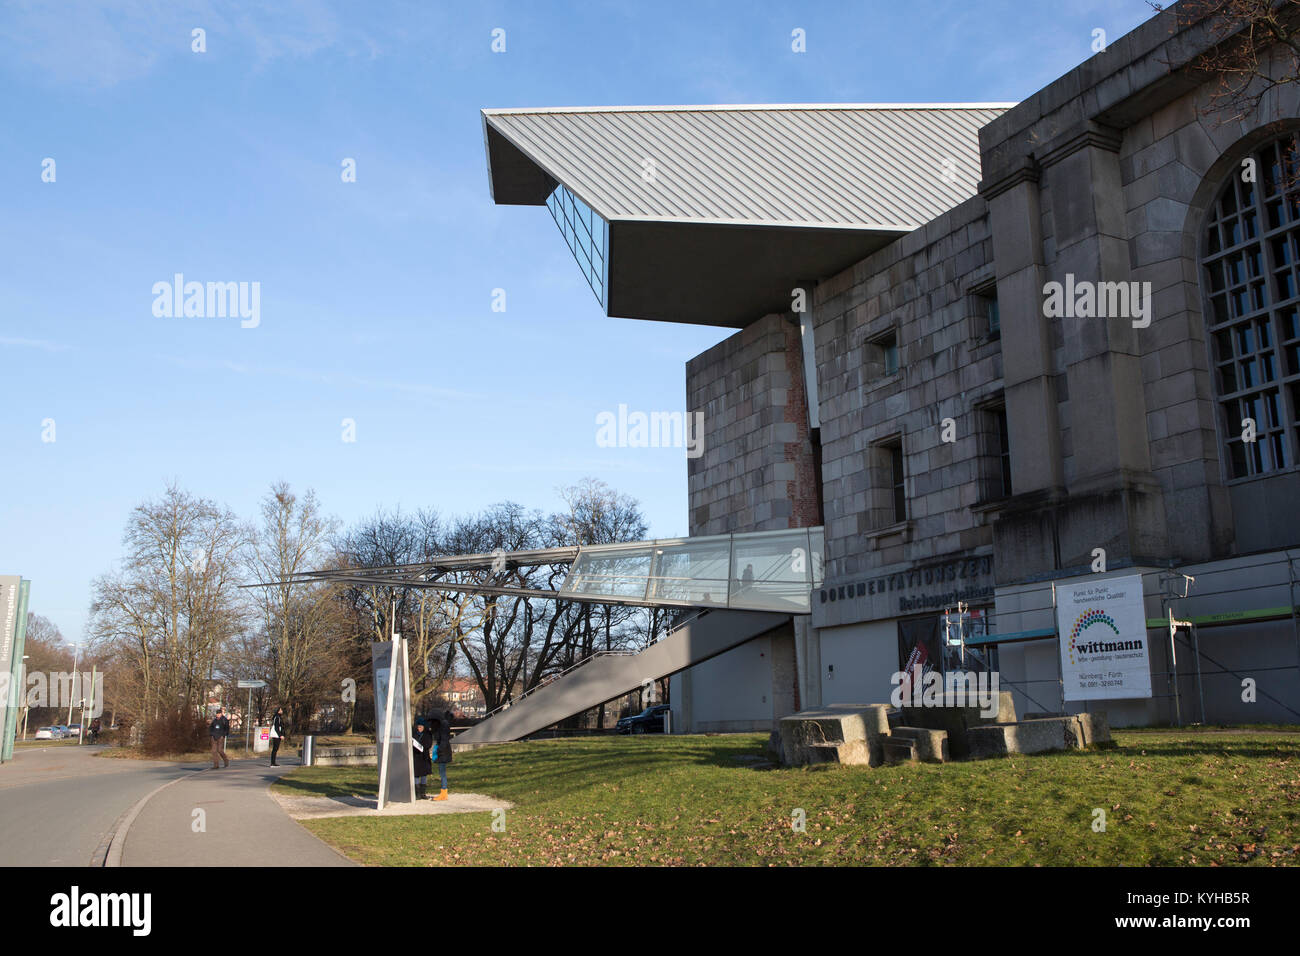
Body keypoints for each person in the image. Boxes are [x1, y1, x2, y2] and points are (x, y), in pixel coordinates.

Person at [429, 710, 453, 800]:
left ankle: (444, 792)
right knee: (442, 772)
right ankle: (444, 792)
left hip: (443, 751)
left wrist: (439, 749)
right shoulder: (443, 725)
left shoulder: (443, 726)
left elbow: (443, 740)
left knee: (442, 772)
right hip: (444, 750)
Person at [412, 719, 433, 798]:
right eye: (418, 727)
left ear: (424, 727)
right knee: (416, 774)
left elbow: (428, 744)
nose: (419, 728)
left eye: (420, 727)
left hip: (424, 756)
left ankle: (423, 793)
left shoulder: (427, 734)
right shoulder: (414, 734)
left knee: (424, 775)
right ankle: (417, 793)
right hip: (416, 756)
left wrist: (421, 746)